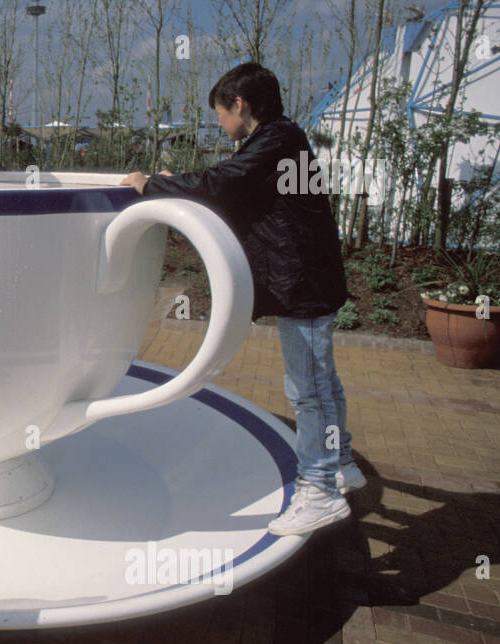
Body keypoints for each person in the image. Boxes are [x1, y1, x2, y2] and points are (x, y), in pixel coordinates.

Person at [123, 62, 364, 536]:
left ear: (240, 105)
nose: (218, 122)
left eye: (219, 112)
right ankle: (340, 463)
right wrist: (175, 181)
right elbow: (228, 184)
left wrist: (150, 185)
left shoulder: (277, 141)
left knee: (308, 390)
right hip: (310, 279)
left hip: (305, 285)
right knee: (323, 383)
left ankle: (319, 491)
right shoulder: (278, 140)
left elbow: (220, 185)